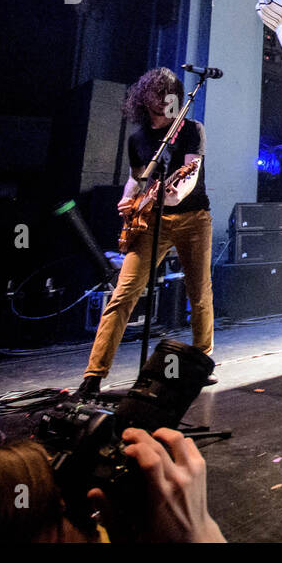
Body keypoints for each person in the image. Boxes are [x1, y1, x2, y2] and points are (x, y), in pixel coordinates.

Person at [78, 68, 215, 397]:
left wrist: (171, 195)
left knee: (199, 293)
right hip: (151, 222)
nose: (162, 111)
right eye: (156, 104)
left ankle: (202, 360)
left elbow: (191, 174)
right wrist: (128, 199)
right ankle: (93, 375)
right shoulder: (138, 139)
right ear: (145, 102)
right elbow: (136, 178)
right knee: (123, 295)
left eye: (168, 103)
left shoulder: (192, 130)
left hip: (194, 217)